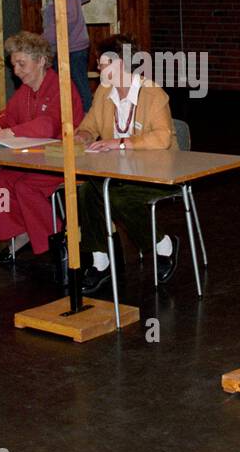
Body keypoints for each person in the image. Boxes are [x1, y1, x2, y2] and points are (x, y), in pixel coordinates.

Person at [72, 34, 179, 295]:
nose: (98, 67)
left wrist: (118, 144)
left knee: (118, 199)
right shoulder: (103, 93)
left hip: (158, 172)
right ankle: (100, 262)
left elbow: (163, 137)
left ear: (121, 64)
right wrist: (82, 136)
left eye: (104, 62)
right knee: (86, 192)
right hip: (119, 172)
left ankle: (164, 245)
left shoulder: (152, 93)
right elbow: (89, 126)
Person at [0, 31, 83, 268]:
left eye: (21, 64)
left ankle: (57, 239)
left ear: (40, 61)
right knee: (0, 180)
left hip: (60, 159)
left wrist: (7, 133)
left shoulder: (61, 87)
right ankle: (22, 233)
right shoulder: (25, 91)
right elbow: (8, 114)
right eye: (13, 64)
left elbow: (49, 125)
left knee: (25, 187)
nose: (16, 70)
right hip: (35, 160)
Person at [41, 0, 93, 113]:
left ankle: (88, 124)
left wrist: (44, 40)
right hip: (67, 45)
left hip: (71, 47)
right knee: (74, 87)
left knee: (80, 89)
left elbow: (70, 17)